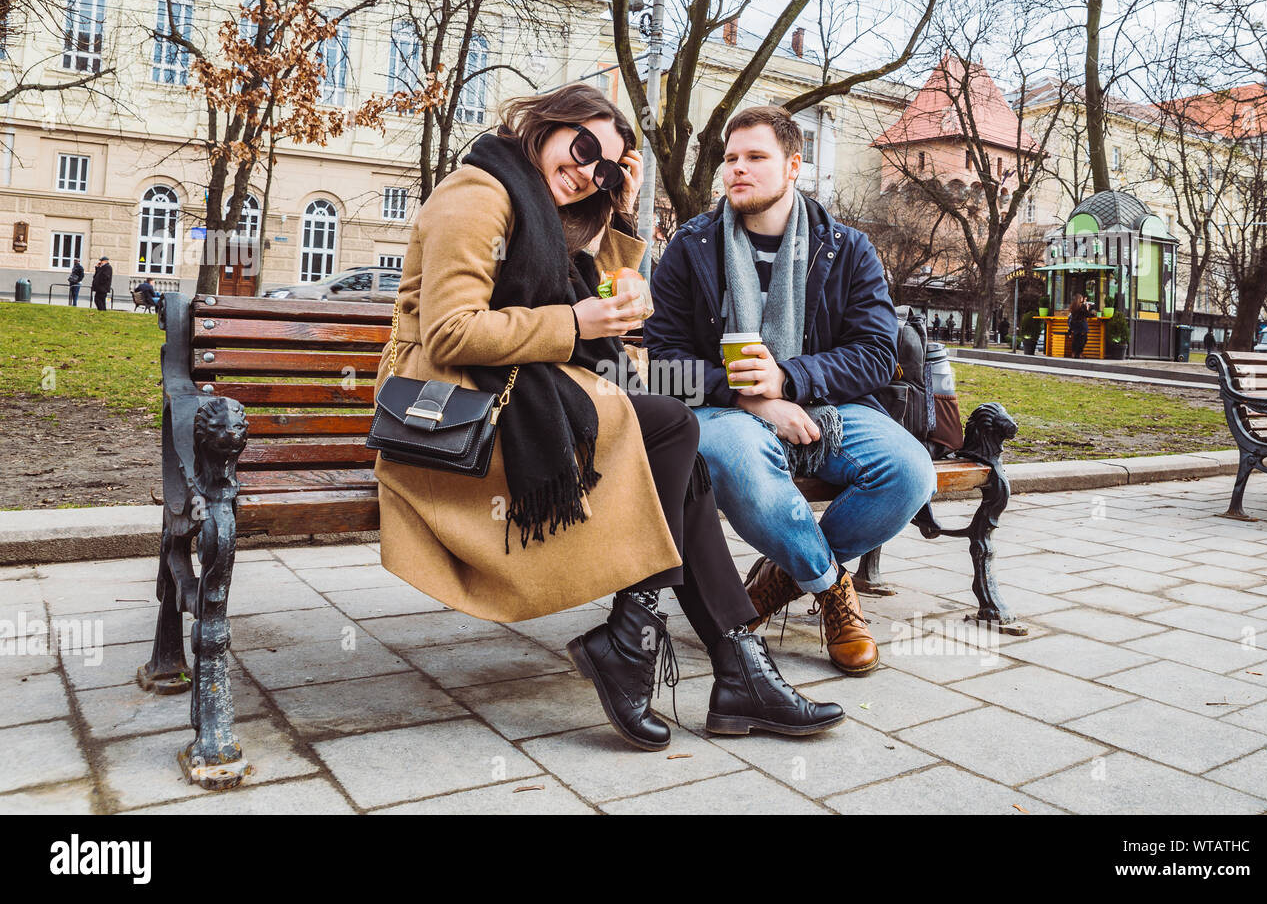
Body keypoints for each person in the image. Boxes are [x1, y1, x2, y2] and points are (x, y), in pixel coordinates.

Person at [375, 84, 842, 750]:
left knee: (675, 454)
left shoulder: (548, 212)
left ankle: (703, 658)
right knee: (672, 432)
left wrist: (619, 216)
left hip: (516, 394)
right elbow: (450, 333)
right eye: (584, 146)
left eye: (607, 166)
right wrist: (574, 321)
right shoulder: (478, 194)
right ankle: (673, 650)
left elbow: (608, 314)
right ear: (547, 125)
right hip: (453, 416)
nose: (587, 168)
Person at [644, 105, 936, 675]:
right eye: (730, 159)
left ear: (793, 166)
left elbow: (877, 355)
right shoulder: (691, 245)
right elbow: (660, 364)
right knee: (733, 454)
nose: (738, 170)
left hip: (832, 406)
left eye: (756, 157)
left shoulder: (847, 248)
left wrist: (790, 379)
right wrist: (750, 396)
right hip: (724, 409)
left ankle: (781, 576)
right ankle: (832, 591)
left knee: (910, 471)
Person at [1068, 292, 1094, 358]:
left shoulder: (1073, 306)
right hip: (1081, 325)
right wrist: (1087, 308)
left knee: (1076, 339)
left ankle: (1073, 353)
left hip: (1074, 325)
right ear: (1080, 299)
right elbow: (1087, 315)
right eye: (1082, 298)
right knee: (1083, 340)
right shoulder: (1082, 306)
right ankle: (1079, 353)